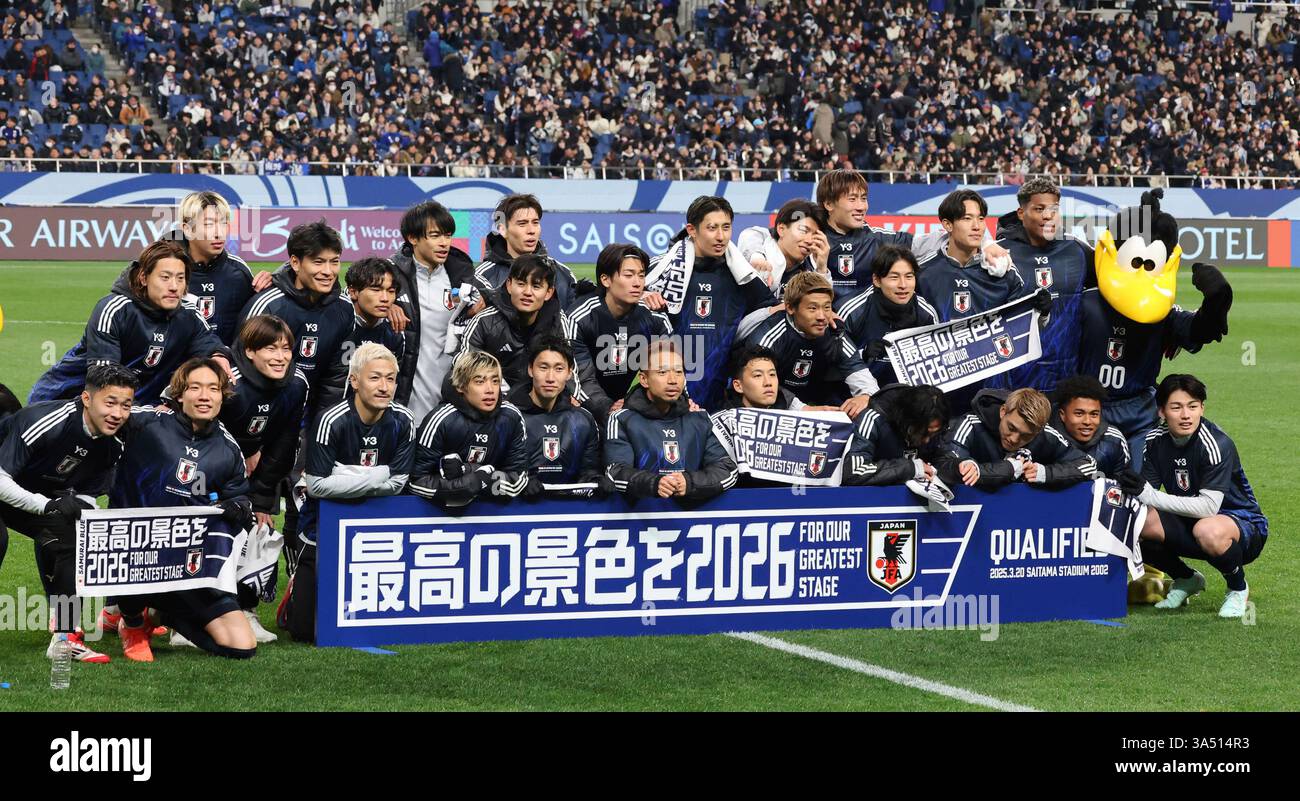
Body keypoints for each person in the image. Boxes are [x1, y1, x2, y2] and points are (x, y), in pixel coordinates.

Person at [110, 358, 258, 662]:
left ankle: (163, 615)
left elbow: (243, 503)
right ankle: (132, 622)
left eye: (213, 389)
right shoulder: (146, 422)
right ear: (179, 394)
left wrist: (235, 508)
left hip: (191, 568)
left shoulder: (229, 450)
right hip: (138, 559)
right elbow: (100, 414)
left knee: (241, 646)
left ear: (222, 395)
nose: (205, 396)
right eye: (195, 388)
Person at [0, 363, 139, 664]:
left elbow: (87, 493)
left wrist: (81, 515)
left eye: (126, 405)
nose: (117, 413)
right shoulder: (46, 420)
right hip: (5, 484)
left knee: (70, 532)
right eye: (110, 402)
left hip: (27, 495)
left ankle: (64, 637)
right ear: (87, 399)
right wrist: (46, 505)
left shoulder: (114, 440)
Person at [289, 343, 415, 642]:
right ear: (354, 381)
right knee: (304, 632)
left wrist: (345, 474)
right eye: (375, 378)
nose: (384, 387)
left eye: (390, 379)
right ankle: (296, 589)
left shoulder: (404, 420)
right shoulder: (331, 420)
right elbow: (317, 486)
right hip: (320, 530)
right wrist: (377, 475)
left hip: (377, 531)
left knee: (382, 624)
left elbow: (398, 484)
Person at [1119, 375, 1266, 619]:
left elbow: (1209, 508)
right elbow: (1145, 495)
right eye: (1176, 407)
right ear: (1162, 411)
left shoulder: (1216, 443)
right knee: (1134, 521)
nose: (1186, 415)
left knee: (1207, 529)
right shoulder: (1155, 440)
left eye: (1193, 406)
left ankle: (1238, 588)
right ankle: (1186, 579)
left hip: (1241, 524)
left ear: (1202, 408)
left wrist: (1150, 495)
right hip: (1191, 520)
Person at [30, 240, 232, 405]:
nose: (174, 287)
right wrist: (149, 414)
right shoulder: (114, 310)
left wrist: (218, 356)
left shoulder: (189, 315)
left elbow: (209, 343)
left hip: (133, 408)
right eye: (165, 277)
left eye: (180, 278)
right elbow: (103, 381)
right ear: (144, 277)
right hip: (68, 401)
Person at [219, 315, 310, 643]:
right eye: (270, 348)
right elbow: (205, 432)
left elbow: (286, 441)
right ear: (249, 352)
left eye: (286, 348)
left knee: (260, 531)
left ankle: (247, 610)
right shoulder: (230, 383)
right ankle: (191, 616)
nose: (280, 356)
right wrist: (241, 454)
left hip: (261, 466)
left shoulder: (297, 383)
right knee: (214, 536)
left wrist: (260, 496)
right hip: (215, 467)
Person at [642, 195, 775, 410]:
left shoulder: (744, 276)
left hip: (721, 393)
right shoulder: (662, 271)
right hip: (668, 394)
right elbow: (617, 294)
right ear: (692, 230)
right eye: (712, 228)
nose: (721, 236)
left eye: (726, 227)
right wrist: (641, 297)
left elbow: (771, 310)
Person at [817, 170, 1007, 299]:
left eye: (864, 199)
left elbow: (942, 237)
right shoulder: (810, 241)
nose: (861, 207)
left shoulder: (880, 240)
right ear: (829, 204)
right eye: (852, 199)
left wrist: (986, 242)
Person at [989, 177, 1095, 392]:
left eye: (1053, 209)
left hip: (1066, 379)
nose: (1048, 216)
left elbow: (1117, 287)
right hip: (1013, 382)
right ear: (1021, 213)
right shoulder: (998, 253)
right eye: (1039, 209)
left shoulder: (1077, 250)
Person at [240, 221, 354, 417]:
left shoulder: (344, 308)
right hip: (262, 414)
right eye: (318, 262)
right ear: (295, 262)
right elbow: (242, 367)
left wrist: (321, 423)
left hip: (310, 415)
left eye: (334, 261)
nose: (328, 271)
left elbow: (337, 377)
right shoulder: (267, 305)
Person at [604, 341, 738, 500]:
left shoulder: (699, 418)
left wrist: (689, 482)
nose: (673, 380)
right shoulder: (622, 419)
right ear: (644, 379)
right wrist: (654, 484)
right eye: (662, 372)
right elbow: (615, 472)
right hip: (640, 520)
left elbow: (727, 469)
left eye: (679, 372)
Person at [386, 200, 477, 421]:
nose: (444, 243)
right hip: (405, 398)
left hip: (452, 397)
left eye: (447, 235)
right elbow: (355, 302)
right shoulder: (389, 275)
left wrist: (480, 305)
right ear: (413, 238)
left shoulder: (461, 275)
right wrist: (385, 305)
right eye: (435, 236)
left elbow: (495, 299)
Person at [740, 271, 875, 413]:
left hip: (815, 401)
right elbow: (758, 387)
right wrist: (803, 409)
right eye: (813, 308)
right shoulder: (768, 337)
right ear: (790, 308)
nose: (822, 317)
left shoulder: (834, 334)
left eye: (827, 307)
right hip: (772, 408)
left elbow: (857, 368)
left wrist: (865, 395)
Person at [567, 243, 672, 424]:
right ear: (606, 280)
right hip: (581, 406)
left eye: (641, 275)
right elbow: (581, 378)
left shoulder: (654, 317)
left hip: (626, 404)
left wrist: (634, 401)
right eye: (628, 275)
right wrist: (609, 409)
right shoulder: (580, 317)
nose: (637, 282)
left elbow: (670, 369)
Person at [408, 350, 529, 506]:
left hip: (493, 516)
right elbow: (416, 482)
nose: (490, 389)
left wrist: (482, 480)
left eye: (495, 381)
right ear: (461, 386)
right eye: (479, 381)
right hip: (442, 518)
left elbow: (518, 477)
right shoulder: (441, 420)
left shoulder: (511, 417)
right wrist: (458, 489)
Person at [507, 337, 604, 496]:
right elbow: (498, 470)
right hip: (517, 510)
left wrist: (596, 480)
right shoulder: (509, 416)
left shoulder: (584, 420)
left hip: (567, 512)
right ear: (530, 369)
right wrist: (518, 483)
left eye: (559, 369)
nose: (550, 378)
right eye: (543, 368)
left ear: (569, 373)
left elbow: (588, 472)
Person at [947, 387, 1096, 490]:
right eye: (1011, 428)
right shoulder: (971, 424)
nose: (1014, 439)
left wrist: (1046, 473)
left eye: (1026, 435)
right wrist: (1009, 468)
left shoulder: (1045, 434)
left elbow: (1089, 465)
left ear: (1038, 431)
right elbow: (946, 465)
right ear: (1003, 411)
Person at [835, 245, 941, 388]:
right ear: (877, 280)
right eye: (894, 277)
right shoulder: (851, 310)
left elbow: (937, 367)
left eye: (909, 277)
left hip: (905, 399)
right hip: (856, 398)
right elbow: (829, 367)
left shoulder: (926, 314)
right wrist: (862, 354)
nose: (903, 285)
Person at [459, 254, 568, 392]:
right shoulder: (484, 321)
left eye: (536, 286)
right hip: (494, 403)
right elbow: (465, 371)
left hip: (541, 402)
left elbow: (568, 371)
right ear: (509, 285)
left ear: (548, 293)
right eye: (521, 284)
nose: (528, 292)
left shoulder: (557, 321)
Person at [472, 193, 585, 309]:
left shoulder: (563, 274)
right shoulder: (481, 276)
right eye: (522, 224)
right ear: (502, 229)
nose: (531, 230)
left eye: (535, 223)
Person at [172, 190, 254, 345]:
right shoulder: (167, 271)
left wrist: (272, 282)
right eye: (209, 224)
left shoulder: (239, 272)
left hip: (226, 365)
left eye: (223, 223)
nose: (219, 233)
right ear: (187, 229)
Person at [843, 384, 956, 486]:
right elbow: (854, 472)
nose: (927, 440)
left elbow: (943, 459)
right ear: (908, 420)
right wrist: (911, 468)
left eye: (933, 433)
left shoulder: (938, 427)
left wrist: (959, 466)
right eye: (923, 432)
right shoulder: (873, 418)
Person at [736, 198, 831, 298]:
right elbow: (750, 235)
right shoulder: (761, 251)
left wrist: (821, 269)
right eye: (804, 230)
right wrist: (757, 257)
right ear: (781, 229)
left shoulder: (810, 267)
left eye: (815, 235)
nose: (809, 240)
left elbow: (820, 305)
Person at [1052, 375, 1130, 478]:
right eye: (1079, 414)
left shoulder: (1114, 441)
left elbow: (1123, 487)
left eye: (1094, 414)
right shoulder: (1046, 439)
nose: (1087, 421)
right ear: (1062, 415)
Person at [345, 256, 406, 369]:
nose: (385, 298)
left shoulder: (394, 331)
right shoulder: (336, 322)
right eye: (376, 290)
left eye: (391, 291)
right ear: (353, 292)